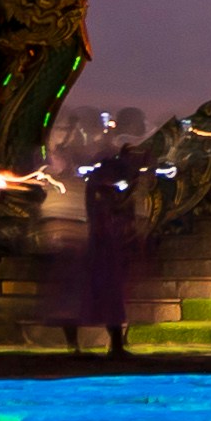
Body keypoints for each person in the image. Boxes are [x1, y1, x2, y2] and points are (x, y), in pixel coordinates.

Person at [69, 150, 142, 358]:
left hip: (108, 248)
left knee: (110, 297)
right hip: (102, 249)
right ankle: (108, 344)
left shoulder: (104, 187)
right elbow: (103, 216)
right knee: (106, 295)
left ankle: (115, 343)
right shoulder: (100, 187)